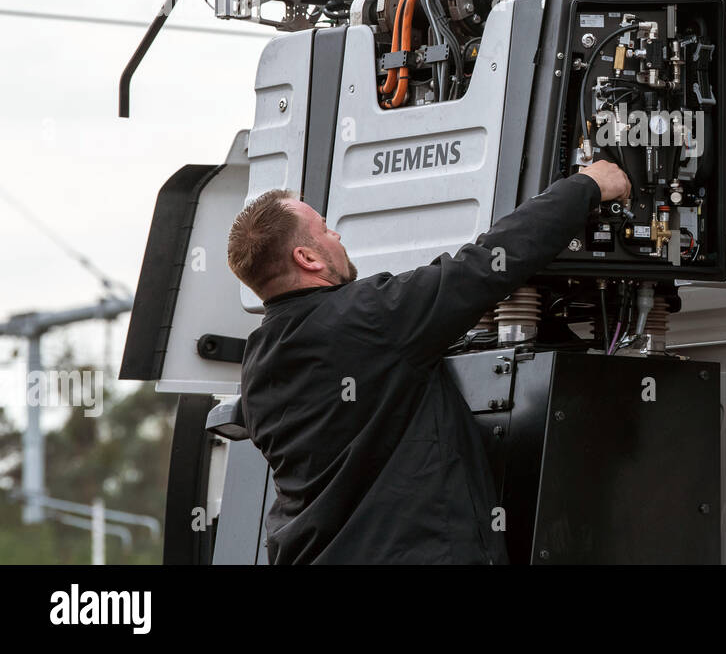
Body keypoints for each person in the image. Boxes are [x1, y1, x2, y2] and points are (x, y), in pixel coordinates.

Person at [225, 159, 630, 564]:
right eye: (325, 230)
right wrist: (587, 185)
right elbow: (485, 264)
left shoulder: (258, 366)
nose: (337, 235)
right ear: (308, 258)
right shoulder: (369, 317)